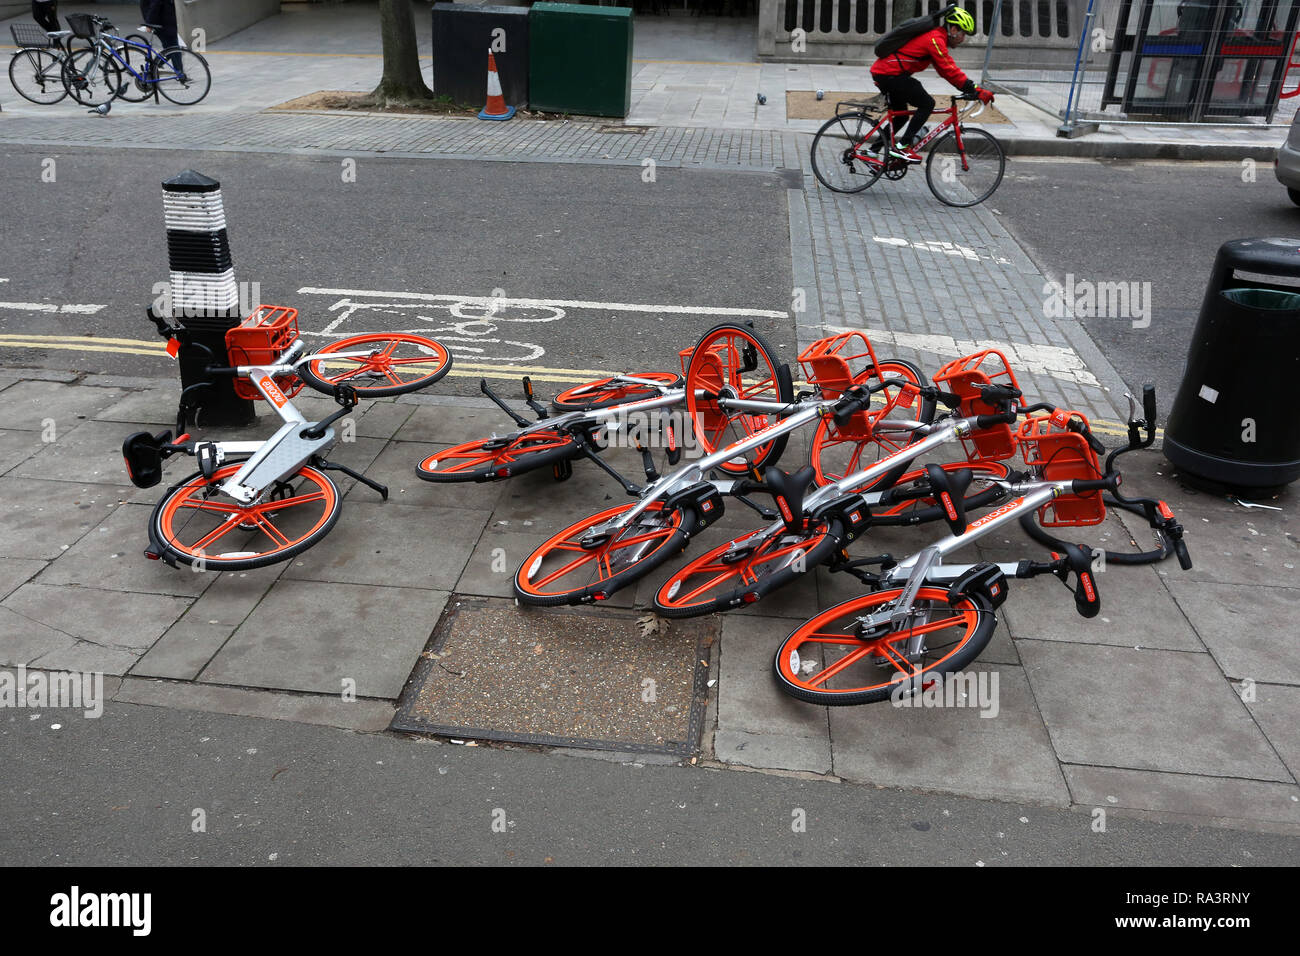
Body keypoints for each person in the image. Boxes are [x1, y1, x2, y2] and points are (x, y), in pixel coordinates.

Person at [869, 7, 995, 163]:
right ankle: (903, 148)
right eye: (963, 34)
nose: (963, 39)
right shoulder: (935, 39)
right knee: (927, 104)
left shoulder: (935, 38)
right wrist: (974, 89)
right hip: (890, 74)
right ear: (954, 29)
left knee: (901, 117)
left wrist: (970, 88)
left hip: (887, 74)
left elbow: (946, 71)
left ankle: (872, 152)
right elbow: (949, 69)